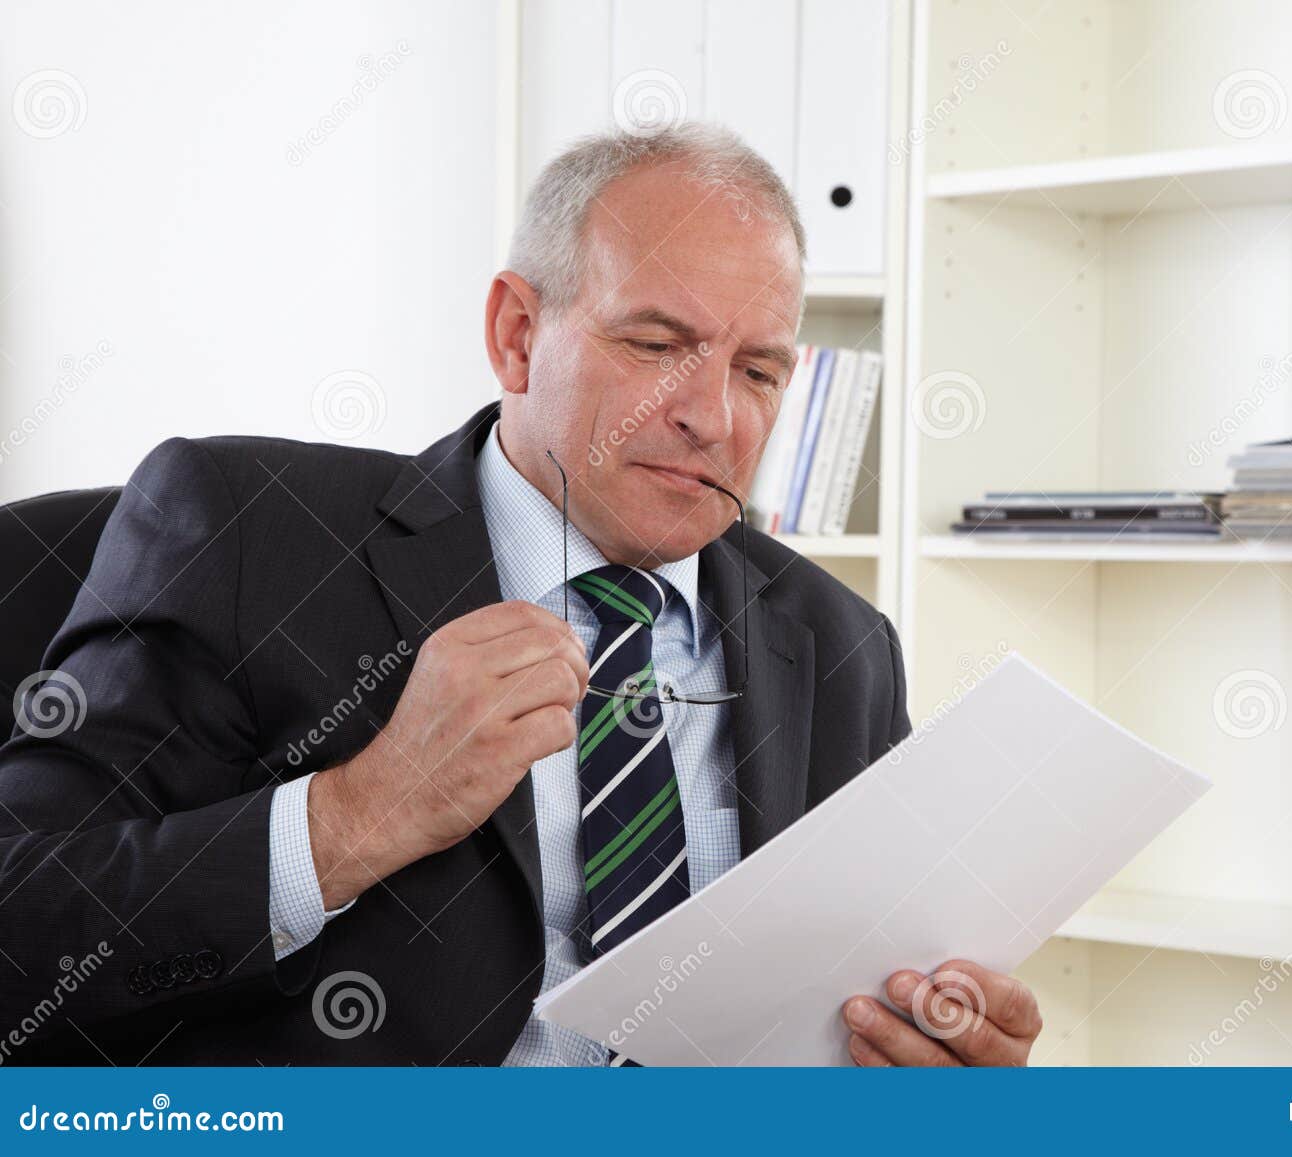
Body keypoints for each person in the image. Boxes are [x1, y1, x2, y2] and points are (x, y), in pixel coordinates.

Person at [0, 123, 1041, 1066]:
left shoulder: (840, 642)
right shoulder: (246, 528)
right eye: (655, 344)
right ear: (514, 333)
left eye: (760, 372)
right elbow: (25, 922)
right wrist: (357, 815)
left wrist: (923, 1049)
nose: (713, 416)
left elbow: (846, 1004)